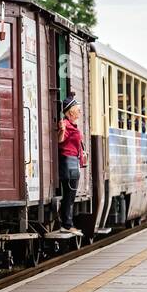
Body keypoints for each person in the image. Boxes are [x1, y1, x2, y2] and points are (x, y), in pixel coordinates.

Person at [58, 97, 86, 230]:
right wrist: (62, 130)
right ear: (71, 112)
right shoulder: (66, 124)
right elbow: (60, 140)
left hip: (73, 162)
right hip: (68, 163)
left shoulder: (72, 125)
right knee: (69, 196)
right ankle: (67, 225)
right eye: (78, 111)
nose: (80, 113)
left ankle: (68, 223)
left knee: (71, 195)